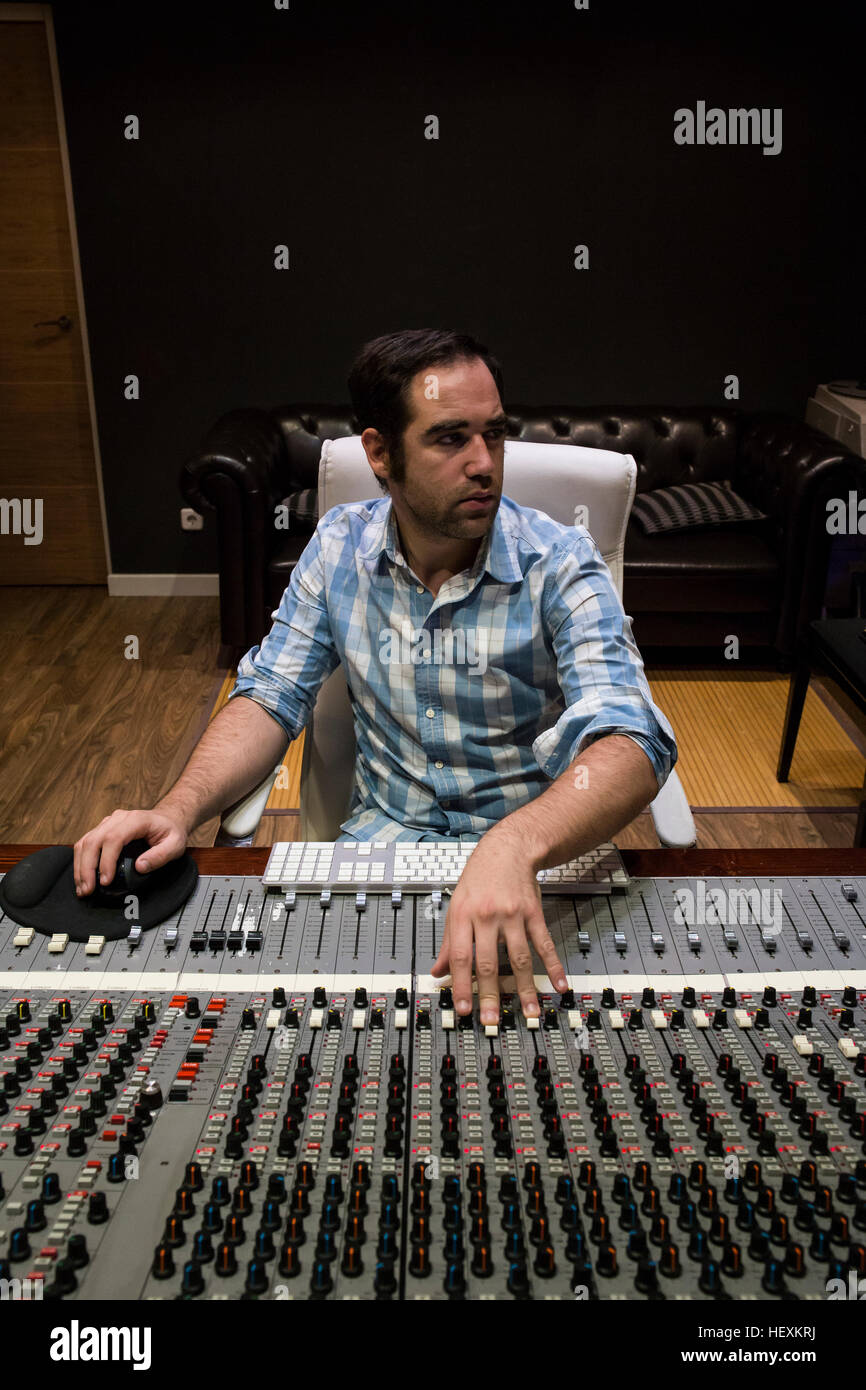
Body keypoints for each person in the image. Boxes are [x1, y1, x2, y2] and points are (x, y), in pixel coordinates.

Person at [73, 328, 676, 1025]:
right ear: (380, 453)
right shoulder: (337, 548)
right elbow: (269, 697)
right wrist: (177, 809)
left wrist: (513, 842)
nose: (484, 464)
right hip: (381, 862)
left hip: (540, 866)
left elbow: (633, 738)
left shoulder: (562, 561)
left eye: (495, 434)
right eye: (450, 439)